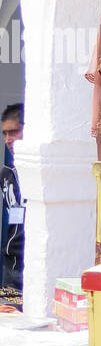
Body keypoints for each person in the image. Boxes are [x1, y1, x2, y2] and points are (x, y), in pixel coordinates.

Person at [0, 103, 24, 302]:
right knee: (9, 314)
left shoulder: (35, 173)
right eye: (5, 134)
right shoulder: (6, 174)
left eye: (14, 132)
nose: (8, 139)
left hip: (31, 264)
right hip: (11, 265)